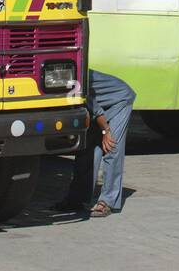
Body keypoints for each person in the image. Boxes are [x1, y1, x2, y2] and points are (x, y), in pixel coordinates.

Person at [54, 70, 136, 217]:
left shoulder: (72, 79)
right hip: (100, 105)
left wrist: (106, 131)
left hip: (120, 99)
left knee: (111, 147)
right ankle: (77, 199)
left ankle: (108, 201)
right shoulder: (56, 77)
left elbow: (96, 110)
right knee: (87, 151)